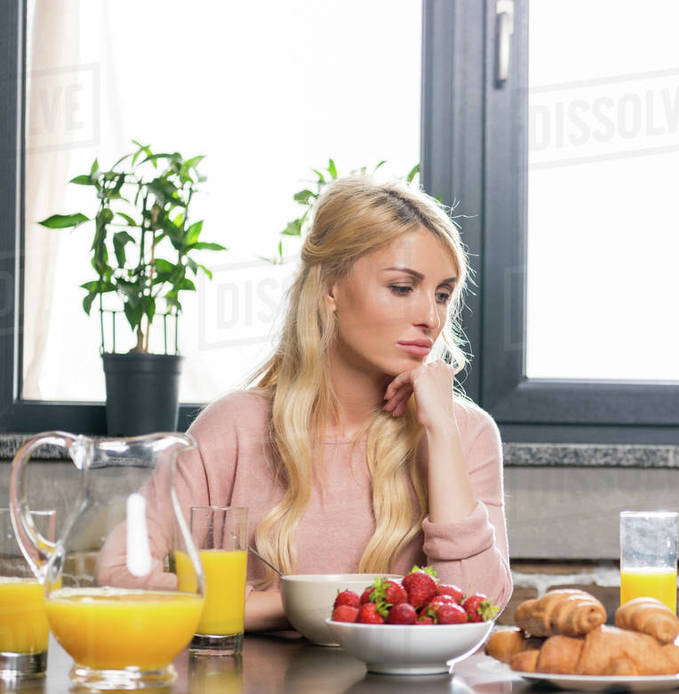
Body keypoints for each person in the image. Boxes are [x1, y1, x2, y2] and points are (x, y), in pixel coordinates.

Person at [168, 176, 511, 630]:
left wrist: (441, 434)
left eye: (443, 295)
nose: (431, 317)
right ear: (331, 289)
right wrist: (294, 604)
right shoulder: (233, 427)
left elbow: (473, 611)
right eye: (402, 287)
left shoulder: (464, 432)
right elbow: (126, 582)